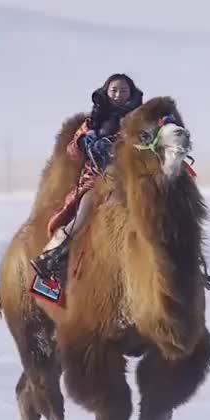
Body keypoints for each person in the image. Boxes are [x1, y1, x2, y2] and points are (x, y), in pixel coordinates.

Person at [30, 74, 143, 281]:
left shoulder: (141, 120)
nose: (118, 95)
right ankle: (51, 256)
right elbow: (72, 152)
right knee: (84, 214)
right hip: (98, 180)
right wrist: (84, 142)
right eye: (114, 90)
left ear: (131, 93)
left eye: (123, 91)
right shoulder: (94, 121)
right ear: (106, 92)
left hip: (135, 180)